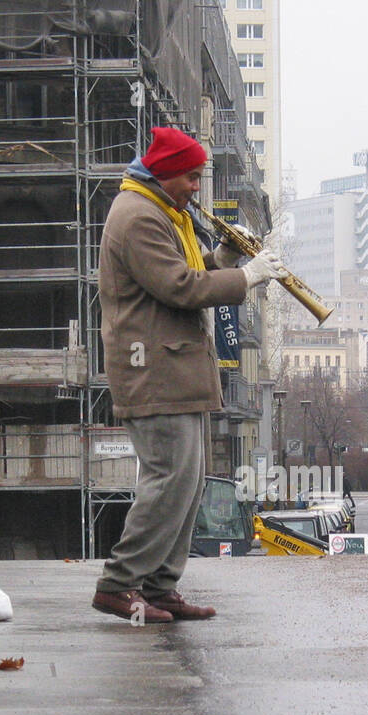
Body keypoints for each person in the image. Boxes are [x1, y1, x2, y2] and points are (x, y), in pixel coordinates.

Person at [92, 127, 287, 623]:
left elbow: (194, 270)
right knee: (168, 481)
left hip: (175, 369)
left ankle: (159, 587)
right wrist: (247, 277)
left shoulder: (163, 212)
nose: (198, 187)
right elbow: (179, 286)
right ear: (166, 172)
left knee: (189, 483)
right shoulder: (137, 216)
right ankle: (118, 585)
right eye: (193, 176)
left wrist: (227, 257)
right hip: (153, 370)